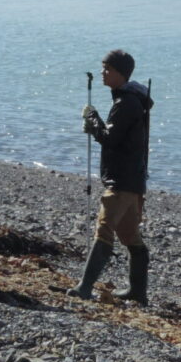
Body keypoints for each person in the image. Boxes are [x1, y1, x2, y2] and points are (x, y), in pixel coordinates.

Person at [68, 49, 153, 304]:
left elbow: (110, 139)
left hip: (121, 180)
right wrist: (96, 124)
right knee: (129, 236)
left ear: (121, 74)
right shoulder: (132, 100)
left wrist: (92, 119)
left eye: (108, 70)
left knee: (104, 230)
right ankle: (137, 291)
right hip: (133, 180)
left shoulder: (126, 102)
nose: (104, 74)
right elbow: (115, 137)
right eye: (103, 69)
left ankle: (84, 287)